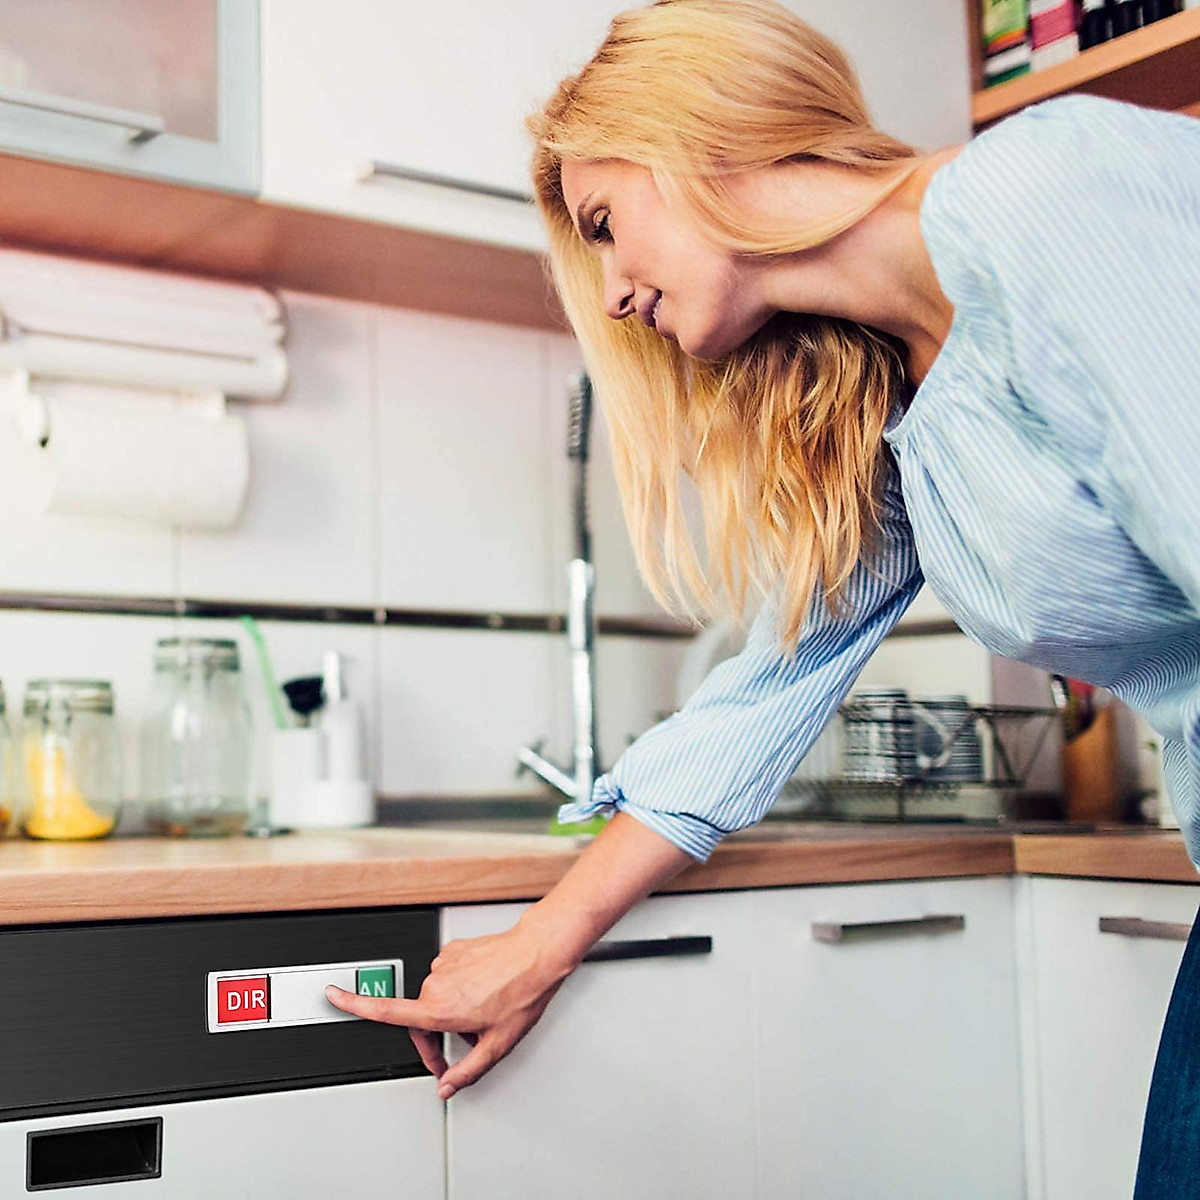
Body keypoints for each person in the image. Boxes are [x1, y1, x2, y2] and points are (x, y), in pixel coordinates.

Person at [326, 0, 1200, 1189]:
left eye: (602, 223)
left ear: (694, 136)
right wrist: (539, 944)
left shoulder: (1047, 192)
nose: (615, 288)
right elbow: (770, 688)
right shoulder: (907, 413)